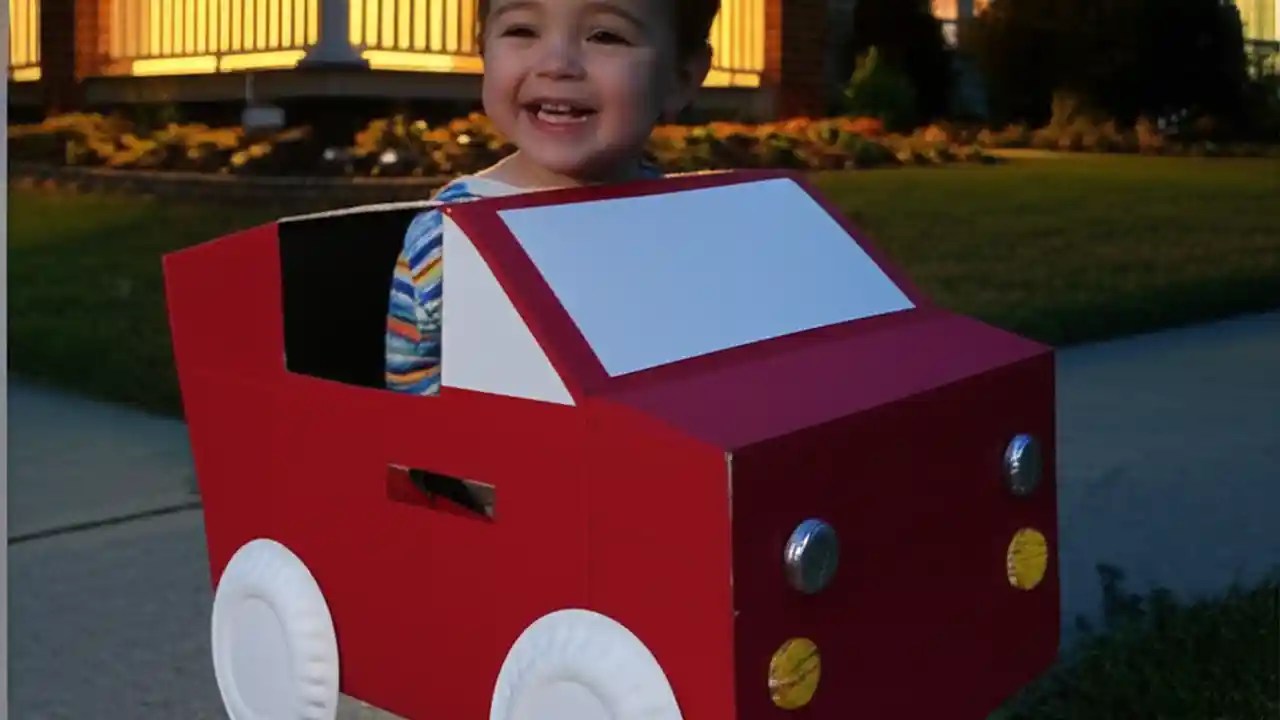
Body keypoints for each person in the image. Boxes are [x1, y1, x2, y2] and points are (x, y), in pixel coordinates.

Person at [385, 0, 717, 395]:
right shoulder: (448, 237)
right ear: (483, 50)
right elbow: (412, 406)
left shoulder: (696, 223)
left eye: (605, 36)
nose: (557, 64)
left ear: (681, 78)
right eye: (522, 31)